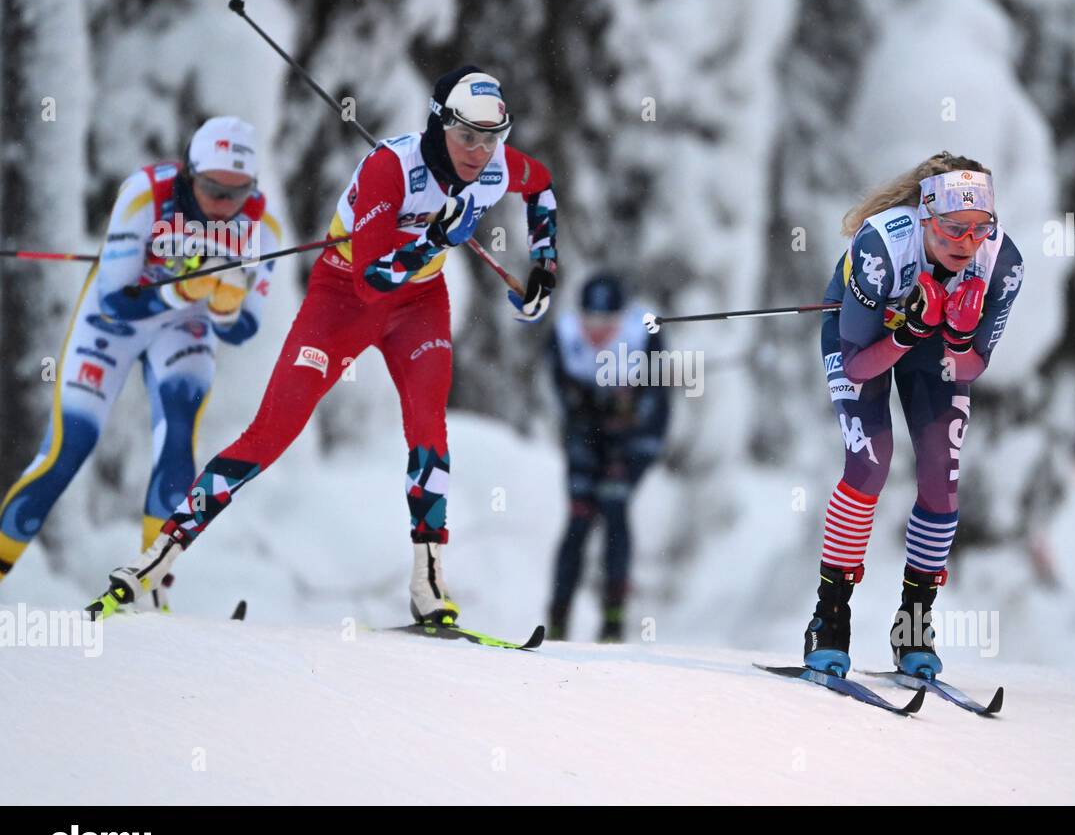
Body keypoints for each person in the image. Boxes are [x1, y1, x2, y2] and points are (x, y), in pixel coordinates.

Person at [86, 66, 558, 625]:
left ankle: (427, 580)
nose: (480, 153)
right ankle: (153, 563)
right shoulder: (391, 170)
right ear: (438, 126)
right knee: (272, 433)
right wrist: (433, 236)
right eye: (466, 137)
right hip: (345, 296)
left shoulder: (496, 165)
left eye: (491, 139)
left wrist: (544, 266)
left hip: (420, 304)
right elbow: (371, 281)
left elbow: (543, 185)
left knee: (429, 426)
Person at [0, 117, 281, 607]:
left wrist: (225, 308)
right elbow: (114, 298)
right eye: (214, 191)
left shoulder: (261, 226)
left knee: (178, 435)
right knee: (70, 447)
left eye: (239, 194)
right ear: (191, 174)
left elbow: (244, 330)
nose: (225, 207)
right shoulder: (146, 194)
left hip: (183, 329)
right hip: (113, 325)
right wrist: (183, 291)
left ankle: (151, 590)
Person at [805, 151, 1024, 678]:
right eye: (952, 230)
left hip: (932, 347)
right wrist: (908, 331)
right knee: (870, 464)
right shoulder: (882, 246)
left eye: (979, 229)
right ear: (926, 216)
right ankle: (829, 617)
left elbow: (969, 367)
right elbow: (857, 366)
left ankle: (914, 625)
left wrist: (959, 334)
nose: (966, 245)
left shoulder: (1003, 263)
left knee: (940, 480)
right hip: (865, 339)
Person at [547, 274, 670, 642]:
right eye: (591, 321)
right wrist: (586, 404)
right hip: (587, 435)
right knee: (579, 517)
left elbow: (655, 398)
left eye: (607, 322)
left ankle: (613, 620)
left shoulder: (642, 334)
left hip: (634, 439)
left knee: (614, 507)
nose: (597, 331)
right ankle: (558, 618)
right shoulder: (565, 334)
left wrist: (628, 409)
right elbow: (561, 391)